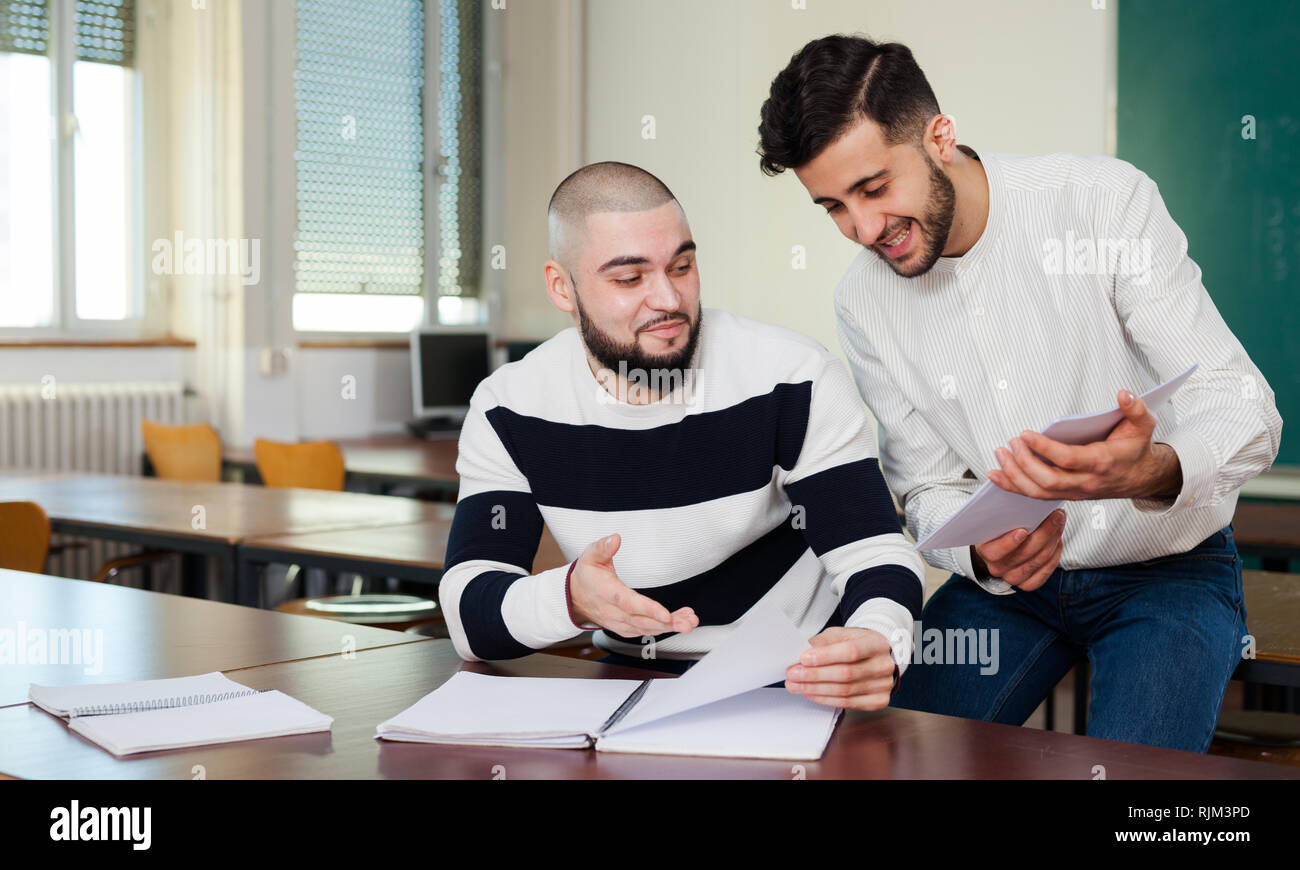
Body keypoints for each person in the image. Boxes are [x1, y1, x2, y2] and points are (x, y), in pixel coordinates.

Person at [757, 35, 1282, 749]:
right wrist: (982, 554)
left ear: (940, 137)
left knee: (1142, 799)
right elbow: (925, 487)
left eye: (875, 188)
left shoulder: (1102, 203)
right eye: (833, 207)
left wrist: (1153, 469)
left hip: (1169, 574)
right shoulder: (863, 301)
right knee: (876, 760)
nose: (865, 228)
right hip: (1011, 593)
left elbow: (1243, 402)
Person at [439, 161, 926, 711]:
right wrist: (570, 597)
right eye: (629, 278)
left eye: (682, 266)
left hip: (792, 677)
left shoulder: (794, 378)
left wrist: (879, 637)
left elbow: (873, 551)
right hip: (622, 683)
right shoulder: (510, 405)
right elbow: (467, 614)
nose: (668, 300)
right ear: (562, 287)